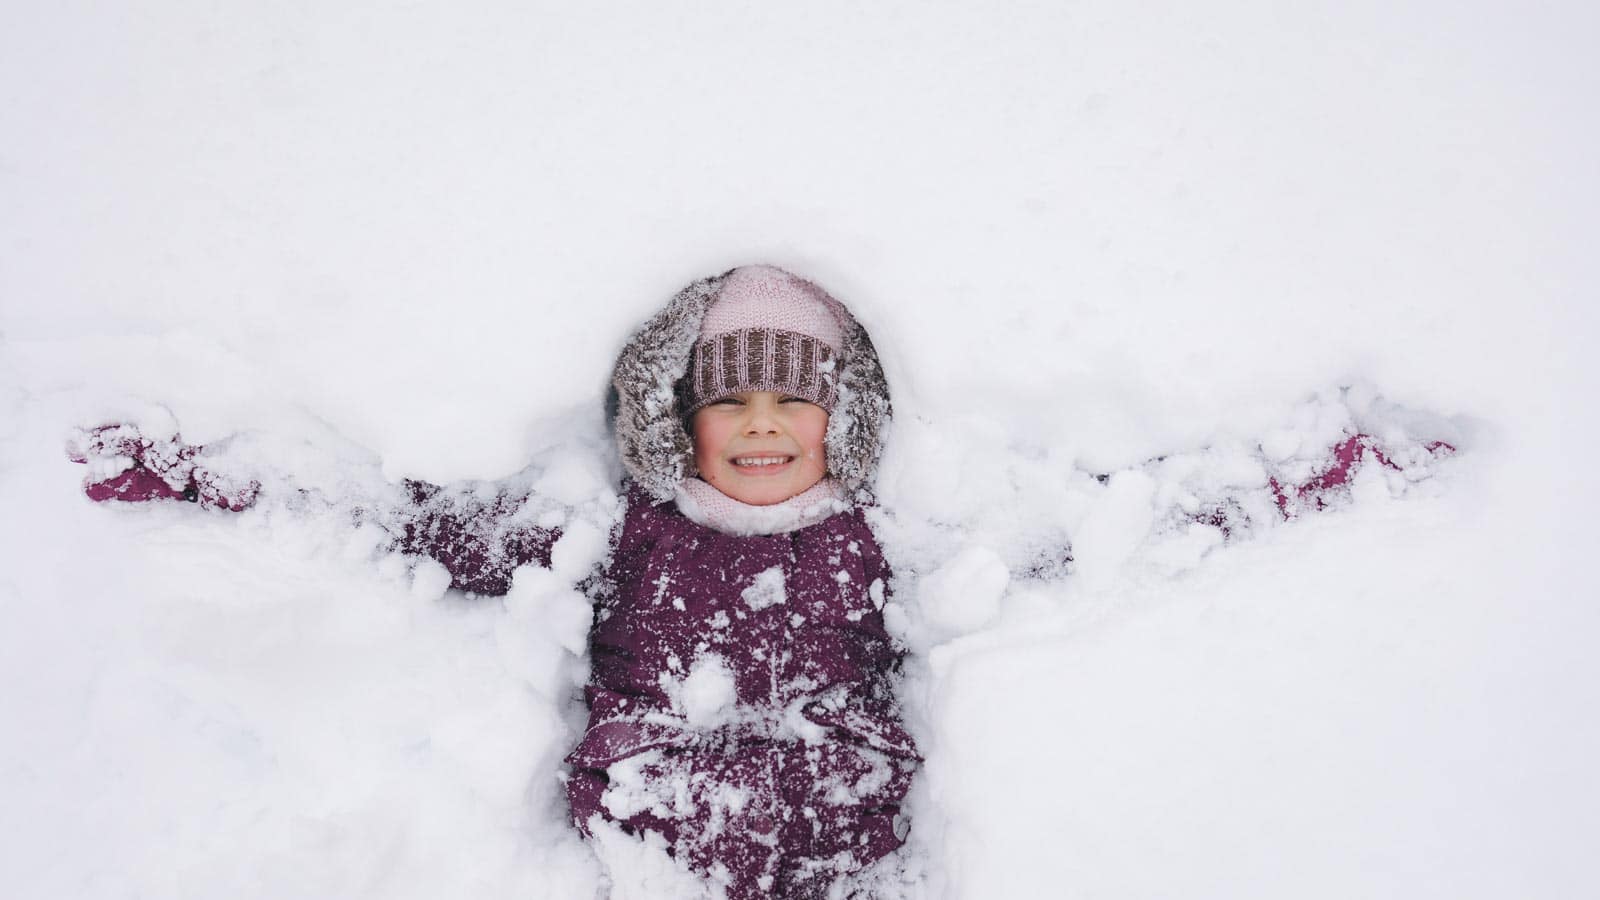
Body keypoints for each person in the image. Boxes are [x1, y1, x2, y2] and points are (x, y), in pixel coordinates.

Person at [67, 264, 1455, 897]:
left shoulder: (892, 537)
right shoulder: (604, 526)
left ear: (843, 419)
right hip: (649, 854)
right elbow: (404, 529)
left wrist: (1315, 471)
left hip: (850, 864)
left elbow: (1117, 532)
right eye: (734, 408)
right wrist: (205, 472)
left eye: (797, 406)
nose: (766, 431)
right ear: (679, 419)